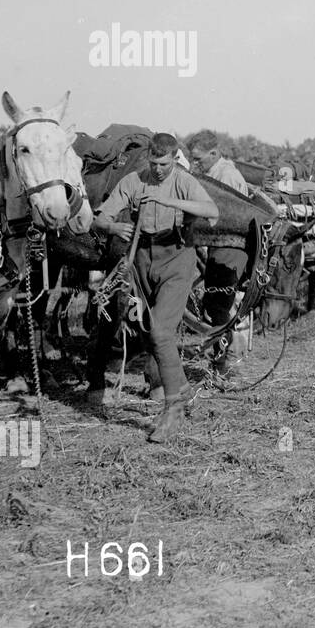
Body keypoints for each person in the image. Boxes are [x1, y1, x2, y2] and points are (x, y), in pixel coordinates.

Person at [88, 132, 219, 443]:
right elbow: (99, 217)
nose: (158, 169)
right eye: (154, 162)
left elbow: (212, 211)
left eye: (164, 163)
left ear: (174, 159)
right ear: (148, 157)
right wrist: (113, 225)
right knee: (149, 332)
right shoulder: (134, 181)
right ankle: (182, 386)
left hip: (176, 258)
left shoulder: (183, 180)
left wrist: (168, 200)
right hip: (142, 259)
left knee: (160, 331)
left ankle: (174, 406)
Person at [187, 131, 251, 381]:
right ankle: (222, 360)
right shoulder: (214, 172)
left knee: (220, 305)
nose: (195, 164)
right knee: (215, 305)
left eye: (198, 159)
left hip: (231, 247)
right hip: (220, 243)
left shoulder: (227, 176)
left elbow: (224, 217)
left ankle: (225, 365)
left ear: (214, 153)